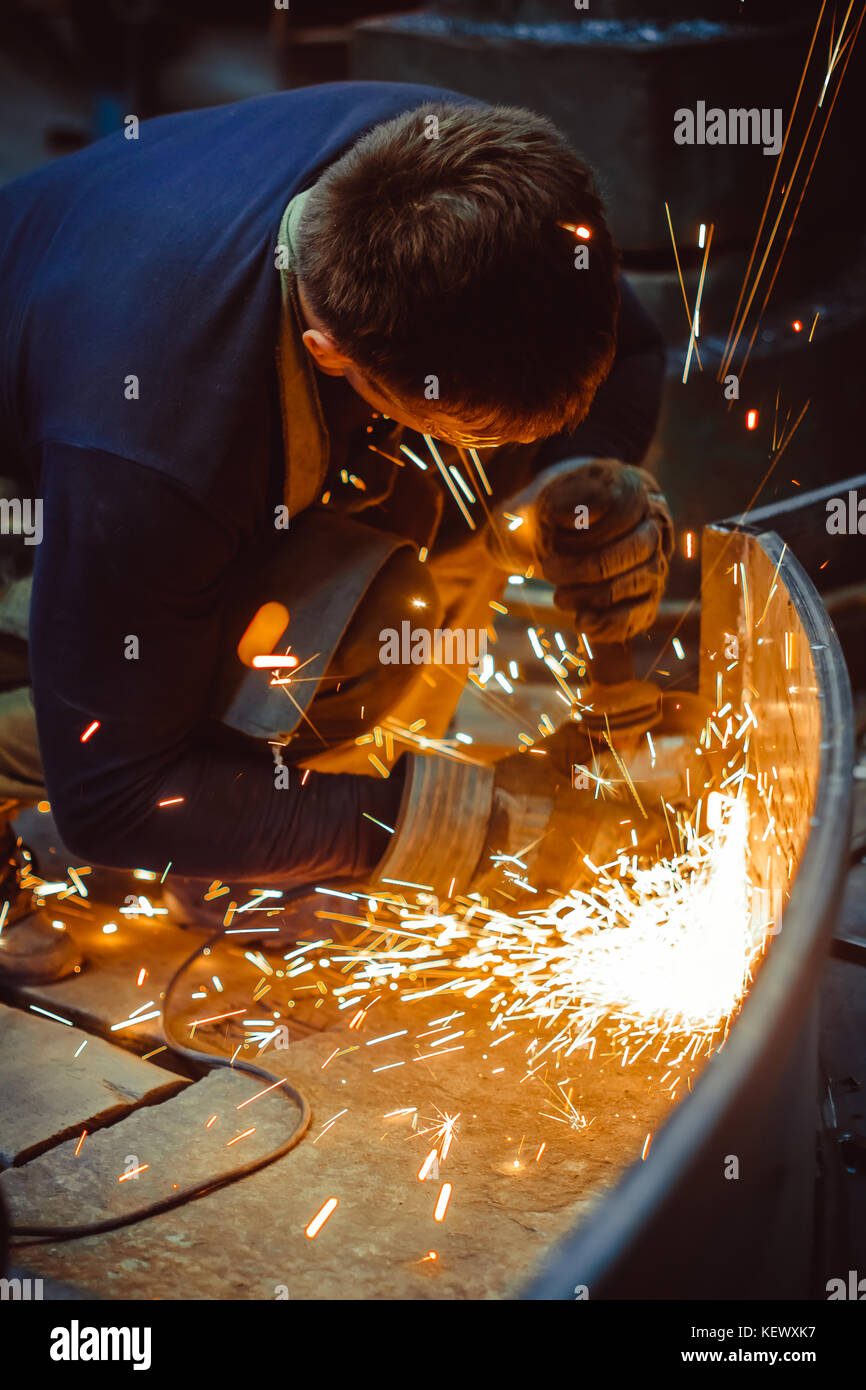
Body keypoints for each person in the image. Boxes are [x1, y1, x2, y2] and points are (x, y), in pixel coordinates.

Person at [0, 81, 672, 983]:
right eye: (472, 429)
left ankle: (251, 817)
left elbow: (635, 345)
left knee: (390, 597)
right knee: (132, 720)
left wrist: (570, 487)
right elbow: (110, 795)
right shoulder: (152, 446)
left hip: (127, 356)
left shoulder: (481, 191)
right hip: (52, 459)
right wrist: (449, 825)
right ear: (330, 353)